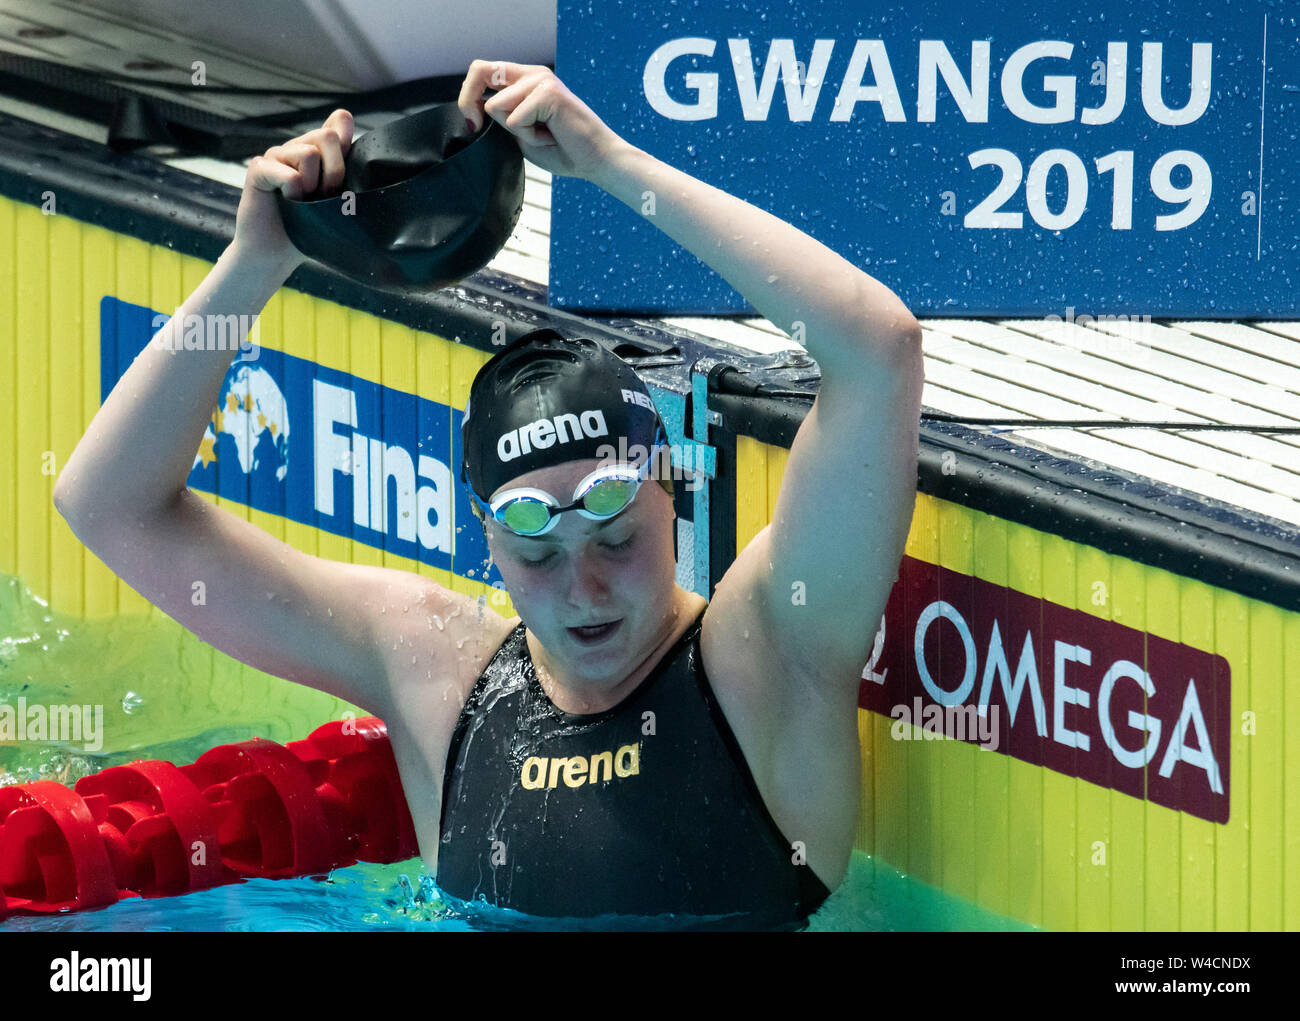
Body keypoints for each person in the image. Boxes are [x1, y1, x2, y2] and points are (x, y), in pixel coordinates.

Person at [53, 60, 924, 928]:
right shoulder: (433, 671)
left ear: (672, 491)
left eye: (614, 536)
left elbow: (878, 352)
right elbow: (107, 503)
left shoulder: (766, 655)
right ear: (488, 537)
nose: (584, 589)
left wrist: (616, 166)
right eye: (538, 552)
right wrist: (261, 255)